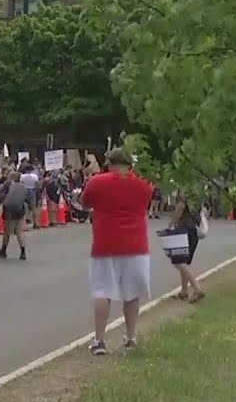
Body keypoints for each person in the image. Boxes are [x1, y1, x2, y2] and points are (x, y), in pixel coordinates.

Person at [81, 148, 154, 355]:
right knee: (131, 294)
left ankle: (100, 340)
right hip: (136, 244)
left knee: (103, 291)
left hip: (105, 243)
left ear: (109, 162)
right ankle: (130, 338)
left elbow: (84, 203)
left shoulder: (97, 182)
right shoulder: (143, 184)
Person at [167, 195, 205, 303]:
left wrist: (171, 224)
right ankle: (184, 291)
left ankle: (197, 289)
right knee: (185, 261)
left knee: (178, 261)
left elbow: (180, 208)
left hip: (184, 229)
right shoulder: (199, 195)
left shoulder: (187, 193)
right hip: (194, 230)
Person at [0, 171, 30, 261]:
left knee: (7, 232)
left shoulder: (7, 185)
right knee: (20, 232)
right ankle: (23, 252)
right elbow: (27, 198)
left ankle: (3, 250)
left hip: (9, 211)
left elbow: (0, 196)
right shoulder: (23, 187)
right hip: (20, 210)